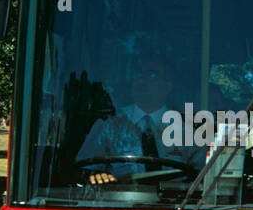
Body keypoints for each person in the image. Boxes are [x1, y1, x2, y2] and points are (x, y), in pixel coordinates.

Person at [75, 55, 202, 184]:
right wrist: (100, 177)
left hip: (175, 202)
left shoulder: (188, 130)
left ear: (168, 86)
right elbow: (86, 172)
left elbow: (201, 176)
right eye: (138, 74)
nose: (142, 80)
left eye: (152, 75)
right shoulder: (108, 124)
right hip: (117, 200)